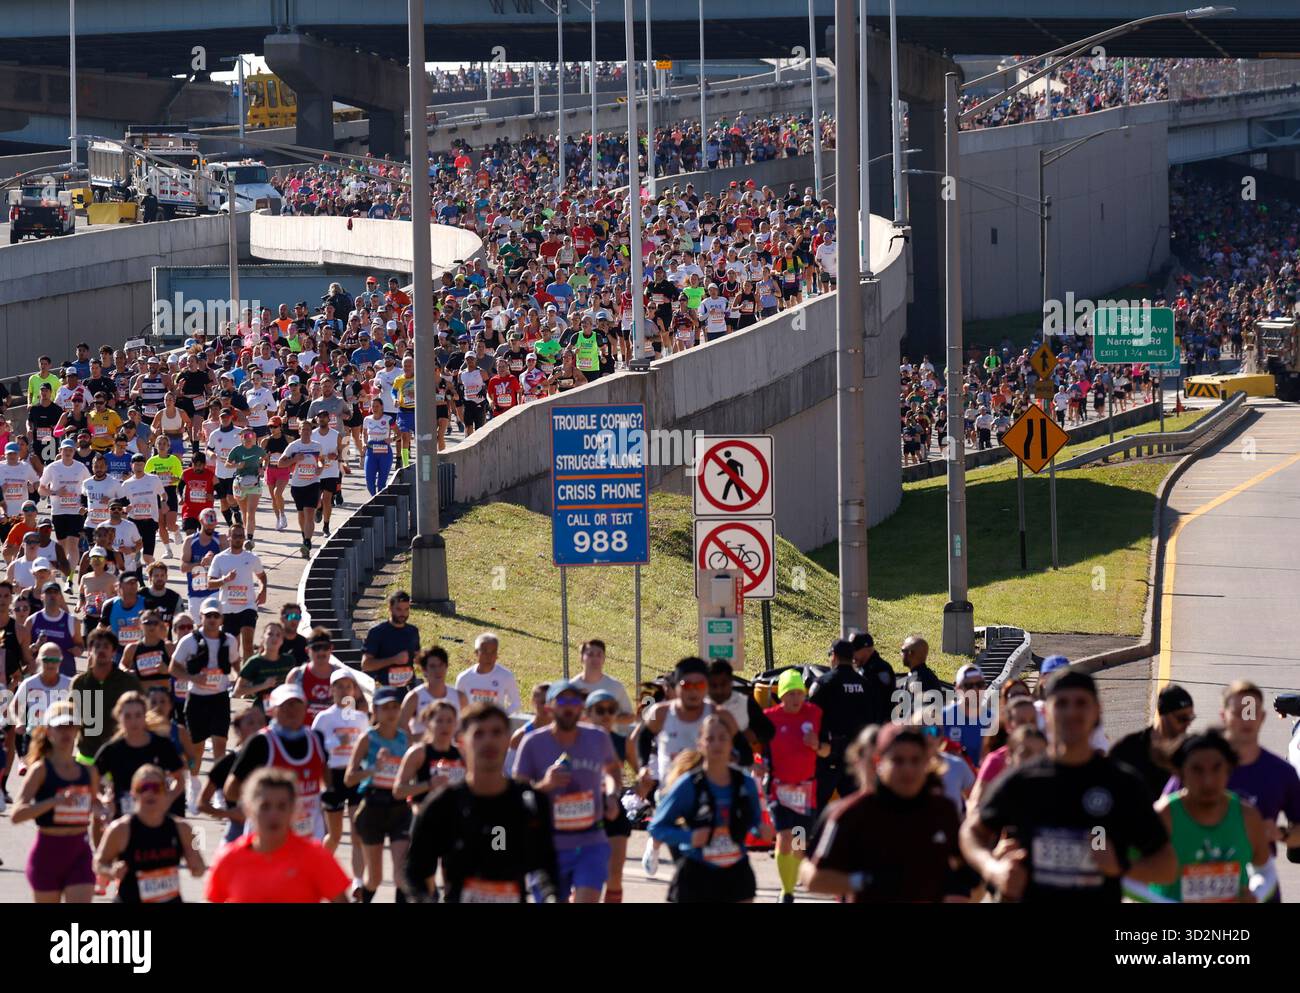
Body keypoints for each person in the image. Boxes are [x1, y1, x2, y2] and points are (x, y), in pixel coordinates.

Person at [960, 669, 1176, 903]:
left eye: (1081, 703)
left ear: (1097, 712)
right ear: (1047, 713)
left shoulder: (1122, 783)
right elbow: (971, 832)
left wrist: (1121, 866)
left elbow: (1167, 865)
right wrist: (994, 869)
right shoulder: (1023, 780)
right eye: (1061, 703)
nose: (1071, 712)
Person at [403, 703, 558, 903]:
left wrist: (550, 896)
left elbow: (546, 866)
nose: (489, 741)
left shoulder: (529, 801)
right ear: (463, 742)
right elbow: (414, 871)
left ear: (507, 740)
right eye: (479, 734)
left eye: (496, 732)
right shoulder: (444, 804)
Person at [803, 723, 971, 902]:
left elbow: (965, 873)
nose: (908, 769)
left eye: (915, 760)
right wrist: (864, 881)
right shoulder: (850, 813)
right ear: (879, 762)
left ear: (928, 762)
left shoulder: (942, 811)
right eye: (898, 761)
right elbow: (813, 877)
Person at [1163, 680, 1300, 898]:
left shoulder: (1281, 772)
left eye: (1252, 712)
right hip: (1194, 884)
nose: (1246, 719)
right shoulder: (1199, 765)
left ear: (1263, 717)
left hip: (1257, 884)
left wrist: (1281, 833)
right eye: (1239, 712)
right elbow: (1160, 821)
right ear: (1223, 716)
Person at [1125, 729, 1273, 904]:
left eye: (1216, 768)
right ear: (1180, 773)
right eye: (1197, 770)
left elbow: (1265, 870)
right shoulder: (1163, 816)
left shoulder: (1247, 816)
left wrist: (1256, 896)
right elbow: (1122, 874)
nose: (1208, 781)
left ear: (1228, 770)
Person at [628, 657, 738, 877]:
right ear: (676, 687)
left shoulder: (718, 715)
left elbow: (740, 749)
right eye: (688, 685)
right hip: (671, 794)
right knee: (685, 863)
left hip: (707, 795)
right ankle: (656, 841)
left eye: (700, 686)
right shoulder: (661, 713)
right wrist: (641, 768)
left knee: (701, 862)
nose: (694, 692)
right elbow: (640, 739)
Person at [514, 680, 621, 903]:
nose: (569, 706)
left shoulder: (598, 738)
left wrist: (612, 795)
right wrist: (545, 784)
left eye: (575, 700)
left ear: (582, 707)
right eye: (562, 700)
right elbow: (518, 793)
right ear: (549, 707)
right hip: (548, 846)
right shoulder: (532, 743)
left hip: (591, 841)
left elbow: (612, 769)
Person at [648, 713, 769, 903]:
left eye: (723, 738)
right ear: (700, 744)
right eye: (710, 739)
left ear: (732, 744)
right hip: (697, 873)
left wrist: (761, 830)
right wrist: (690, 837)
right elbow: (657, 827)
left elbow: (754, 821)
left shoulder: (745, 784)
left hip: (736, 872)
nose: (717, 744)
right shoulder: (689, 785)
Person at [205, 767, 350, 903]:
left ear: (294, 810)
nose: (273, 815)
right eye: (265, 806)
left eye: (282, 806)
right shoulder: (229, 858)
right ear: (248, 809)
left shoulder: (316, 856)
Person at [12, 700, 98, 903]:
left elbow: (94, 804)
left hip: (80, 853)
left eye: (70, 726)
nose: (66, 732)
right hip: (47, 855)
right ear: (48, 731)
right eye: (59, 727)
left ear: (77, 730)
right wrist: (54, 801)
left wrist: (104, 807)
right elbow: (16, 815)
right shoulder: (40, 770)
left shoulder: (89, 771)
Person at [93, 764, 205, 903]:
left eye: (156, 788)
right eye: (143, 788)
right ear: (134, 792)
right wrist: (111, 871)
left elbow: (199, 866)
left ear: (166, 792)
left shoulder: (182, 829)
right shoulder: (121, 829)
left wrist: (196, 866)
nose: (149, 793)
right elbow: (99, 863)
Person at [763, 668, 826, 903]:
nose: (796, 699)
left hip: (805, 791)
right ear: (781, 695)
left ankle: (791, 882)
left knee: (799, 844)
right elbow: (760, 750)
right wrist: (759, 766)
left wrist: (817, 746)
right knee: (784, 837)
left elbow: (827, 748)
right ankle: (786, 891)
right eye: (790, 694)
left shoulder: (815, 713)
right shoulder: (770, 718)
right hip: (779, 789)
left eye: (799, 693)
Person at [344, 686, 411, 902]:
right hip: (372, 806)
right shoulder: (367, 738)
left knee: (401, 876)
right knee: (374, 878)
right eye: (386, 708)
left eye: (395, 707)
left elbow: (410, 774)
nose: (391, 712)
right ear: (376, 710)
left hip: (399, 809)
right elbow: (349, 778)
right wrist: (374, 768)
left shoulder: (404, 739)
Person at [312, 667, 369, 895]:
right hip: (333, 777)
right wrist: (337, 741)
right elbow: (314, 749)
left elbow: (367, 748)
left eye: (348, 686)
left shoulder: (361, 717)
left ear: (354, 691)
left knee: (358, 834)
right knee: (334, 835)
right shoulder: (324, 718)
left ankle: (357, 881)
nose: (344, 690)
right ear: (331, 690)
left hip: (354, 776)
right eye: (339, 686)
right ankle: (317, 871)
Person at [170, 597, 240, 781]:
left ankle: (218, 788)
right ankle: (193, 783)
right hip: (197, 698)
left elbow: (236, 665)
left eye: (216, 616)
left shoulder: (230, 641)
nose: (212, 619)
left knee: (220, 744)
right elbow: (173, 667)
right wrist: (192, 677)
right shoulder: (189, 641)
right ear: (201, 617)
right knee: (196, 748)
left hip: (220, 697)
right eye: (208, 615)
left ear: (222, 619)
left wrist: (238, 680)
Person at [808, 639, 876, 810]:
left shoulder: (823, 683)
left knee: (814, 806)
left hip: (827, 754)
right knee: (857, 808)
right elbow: (873, 719)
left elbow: (811, 718)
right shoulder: (865, 685)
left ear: (834, 656)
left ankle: (812, 837)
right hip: (855, 754)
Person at [1109, 683, 1196, 802]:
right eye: (1181, 718)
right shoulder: (1127, 748)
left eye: (1190, 718)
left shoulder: (1191, 752)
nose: (1187, 724)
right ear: (1163, 714)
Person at [70, 628, 140, 761]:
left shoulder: (127, 682)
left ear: (113, 651)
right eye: (97, 646)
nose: (101, 650)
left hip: (120, 756)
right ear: (90, 650)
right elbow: (71, 718)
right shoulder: (79, 683)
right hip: (87, 755)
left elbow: (143, 716)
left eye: (106, 646)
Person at [201, 706, 267, 846]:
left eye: (261, 723)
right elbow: (202, 803)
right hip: (238, 832)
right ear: (237, 729)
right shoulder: (228, 762)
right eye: (250, 723)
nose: (257, 727)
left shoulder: (274, 755)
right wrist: (230, 814)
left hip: (270, 829)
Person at [206, 523, 266, 661]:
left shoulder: (252, 558)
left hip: (248, 606)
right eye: (235, 536)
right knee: (231, 649)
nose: (238, 539)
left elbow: (262, 576)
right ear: (229, 537)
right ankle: (238, 676)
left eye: (241, 536)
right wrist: (225, 579)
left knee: (248, 644)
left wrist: (263, 590)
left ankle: (247, 676)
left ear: (244, 538)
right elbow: (210, 584)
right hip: (228, 609)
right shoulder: (220, 558)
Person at [278, 420, 325, 558]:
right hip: (297, 485)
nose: (305, 432)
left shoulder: (317, 446)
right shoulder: (293, 446)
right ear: (299, 431)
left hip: (313, 483)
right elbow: (280, 463)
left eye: (308, 429)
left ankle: (307, 542)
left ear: (311, 431)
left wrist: (320, 466)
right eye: (303, 429)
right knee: (301, 515)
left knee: (309, 513)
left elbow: (321, 459)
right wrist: (294, 459)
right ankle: (305, 535)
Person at [360, 589, 421, 689]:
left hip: (408, 688)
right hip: (385, 690)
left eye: (406, 609)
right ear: (390, 608)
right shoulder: (377, 632)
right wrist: (393, 660)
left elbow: (418, 658)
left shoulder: (412, 631)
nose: (403, 614)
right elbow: (366, 665)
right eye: (399, 609)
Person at [399, 646, 466, 736]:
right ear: (424, 670)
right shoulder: (414, 697)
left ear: (446, 667)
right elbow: (400, 730)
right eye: (432, 666)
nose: (437, 670)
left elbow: (468, 729)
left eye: (441, 665)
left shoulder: (460, 697)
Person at [234, 621, 295, 711]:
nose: (274, 638)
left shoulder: (288, 661)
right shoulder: (254, 662)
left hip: (283, 709)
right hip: (261, 709)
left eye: (278, 635)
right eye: (270, 634)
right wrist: (263, 685)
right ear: (263, 638)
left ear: (282, 640)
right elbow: (237, 691)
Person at [454, 631, 521, 713]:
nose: (489, 656)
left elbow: (516, 703)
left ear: (497, 654)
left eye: (493, 652)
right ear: (476, 653)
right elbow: (456, 704)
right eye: (485, 651)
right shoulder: (464, 678)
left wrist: (501, 717)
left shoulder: (506, 676)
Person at [225, 428, 266, 548]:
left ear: (253, 437)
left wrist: (262, 468)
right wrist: (237, 465)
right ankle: (245, 535)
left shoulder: (258, 449)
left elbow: (265, 459)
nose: (248, 438)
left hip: (254, 482)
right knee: (244, 512)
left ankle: (249, 538)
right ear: (241, 437)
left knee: (251, 512)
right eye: (245, 436)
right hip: (240, 483)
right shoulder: (237, 450)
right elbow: (227, 464)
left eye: (250, 435)